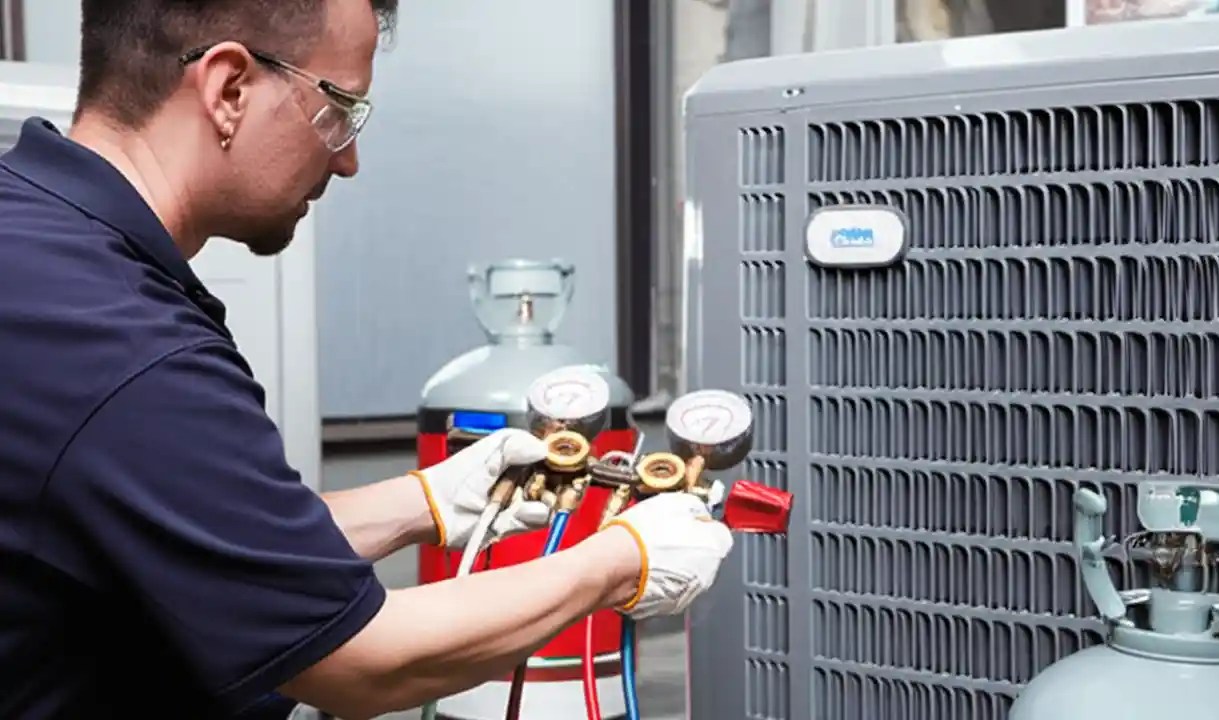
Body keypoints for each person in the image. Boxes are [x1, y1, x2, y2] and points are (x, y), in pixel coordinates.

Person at [0, 1, 734, 718]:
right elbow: (364, 662)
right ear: (228, 89)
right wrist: (619, 562)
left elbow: (213, 535)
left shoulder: (34, 242)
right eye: (339, 111)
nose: (348, 159)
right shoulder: (129, 347)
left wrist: (428, 502)